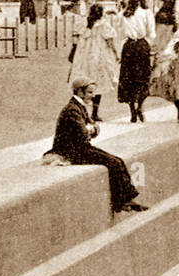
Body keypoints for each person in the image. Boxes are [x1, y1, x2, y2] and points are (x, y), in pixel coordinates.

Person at [47, 78, 145, 213]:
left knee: (118, 161)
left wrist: (90, 129)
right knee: (114, 163)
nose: (93, 96)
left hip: (79, 147)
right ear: (80, 92)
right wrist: (91, 129)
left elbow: (91, 129)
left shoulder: (78, 106)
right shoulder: (72, 109)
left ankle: (125, 200)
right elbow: (85, 131)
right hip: (71, 151)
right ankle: (121, 201)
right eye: (90, 92)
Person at [69, 4, 120, 121]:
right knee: (97, 85)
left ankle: (82, 111)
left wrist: (73, 52)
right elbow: (110, 41)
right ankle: (95, 113)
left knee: (82, 83)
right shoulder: (104, 25)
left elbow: (75, 39)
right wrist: (115, 53)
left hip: (83, 56)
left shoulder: (82, 23)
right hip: (98, 57)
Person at [117, 0, 156, 123]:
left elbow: (120, 33)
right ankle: (140, 106)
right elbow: (151, 33)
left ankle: (132, 111)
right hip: (141, 46)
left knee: (128, 79)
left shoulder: (123, 14)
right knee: (143, 78)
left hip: (128, 48)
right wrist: (150, 45)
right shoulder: (146, 13)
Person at [150, 28, 179, 123]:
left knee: (177, 94)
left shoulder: (172, 51)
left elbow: (163, 61)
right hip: (176, 76)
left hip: (177, 76)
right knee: (177, 95)